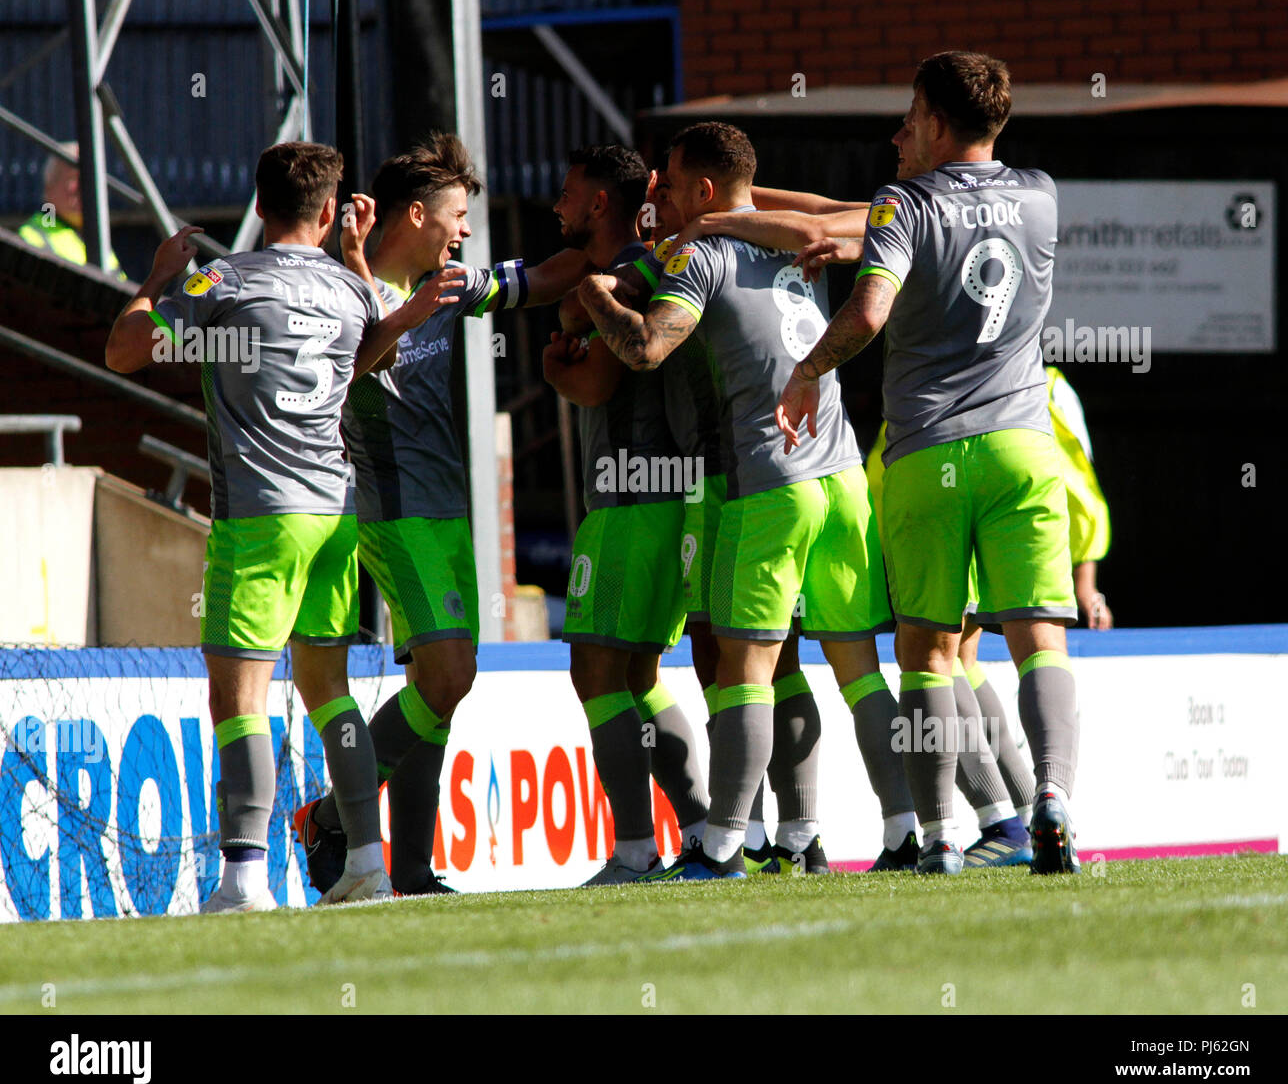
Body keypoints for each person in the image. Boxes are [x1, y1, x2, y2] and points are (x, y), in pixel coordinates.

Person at [105, 141, 462, 910]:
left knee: (240, 695)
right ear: (331, 213)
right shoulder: (347, 286)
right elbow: (365, 358)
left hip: (261, 516)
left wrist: (159, 277)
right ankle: (366, 858)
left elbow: (124, 350)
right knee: (329, 693)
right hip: (335, 515)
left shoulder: (225, 277)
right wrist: (394, 303)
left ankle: (243, 877)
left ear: (259, 204)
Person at [780, 51, 1081, 875]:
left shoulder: (901, 205)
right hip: (1024, 444)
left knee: (930, 652)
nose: (898, 131)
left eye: (911, 116)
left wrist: (808, 369)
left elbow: (871, 311)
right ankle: (1052, 796)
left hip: (928, 451)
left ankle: (941, 833)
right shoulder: (1042, 195)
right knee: (1038, 638)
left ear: (940, 126)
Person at [580, 122, 893, 880]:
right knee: (847, 669)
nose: (659, 192)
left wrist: (594, 296)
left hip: (748, 477)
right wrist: (738, 207)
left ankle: (724, 839)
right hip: (841, 471)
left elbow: (647, 347)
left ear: (704, 191)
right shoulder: (804, 241)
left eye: (673, 180)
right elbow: (863, 210)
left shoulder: (701, 250)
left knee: (737, 666)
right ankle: (904, 828)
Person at [294, 133, 592, 897]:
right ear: (418, 214)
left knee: (443, 685)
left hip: (448, 511)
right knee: (451, 674)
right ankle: (329, 817)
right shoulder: (339, 285)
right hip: (393, 515)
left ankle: (415, 869)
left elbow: (545, 278)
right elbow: (353, 364)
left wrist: (616, 250)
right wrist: (365, 270)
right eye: (457, 216)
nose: (465, 232)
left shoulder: (451, 286)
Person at [543, 145, 711, 883]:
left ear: (601, 204)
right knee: (640, 676)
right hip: (666, 499)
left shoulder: (621, 278)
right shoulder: (642, 268)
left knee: (597, 673)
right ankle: (705, 829)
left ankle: (635, 849)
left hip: (629, 501)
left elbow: (596, 386)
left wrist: (556, 368)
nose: (556, 204)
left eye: (568, 192)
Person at [19, 143, 127, 279]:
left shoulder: (95, 237)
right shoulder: (35, 236)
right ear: (49, 186)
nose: (84, 188)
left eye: (88, 180)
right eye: (76, 179)